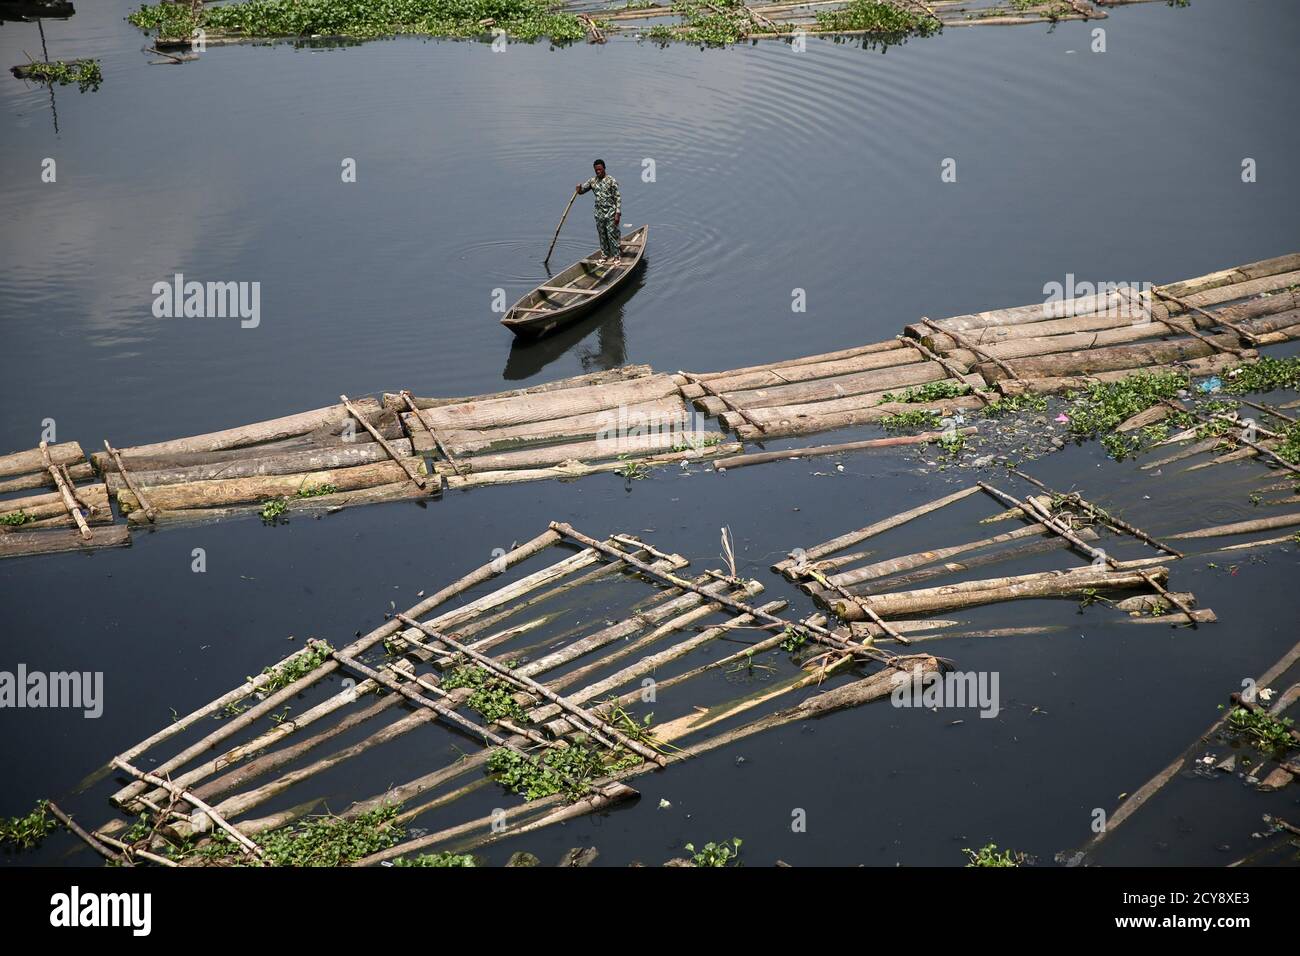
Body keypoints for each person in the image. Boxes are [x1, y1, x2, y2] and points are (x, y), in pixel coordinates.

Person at [576, 159, 622, 266]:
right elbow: (582, 191)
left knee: (611, 234)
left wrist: (617, 213)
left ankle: (616, 256)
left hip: (610, 212)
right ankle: (605, 255)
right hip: (599, 214)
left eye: (600, 169)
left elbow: (617, 197)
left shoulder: (611, 180)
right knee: (602, 235)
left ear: (604, 168)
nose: (598, 172)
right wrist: (579, 189)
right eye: (596, 170)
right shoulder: (593, 181)